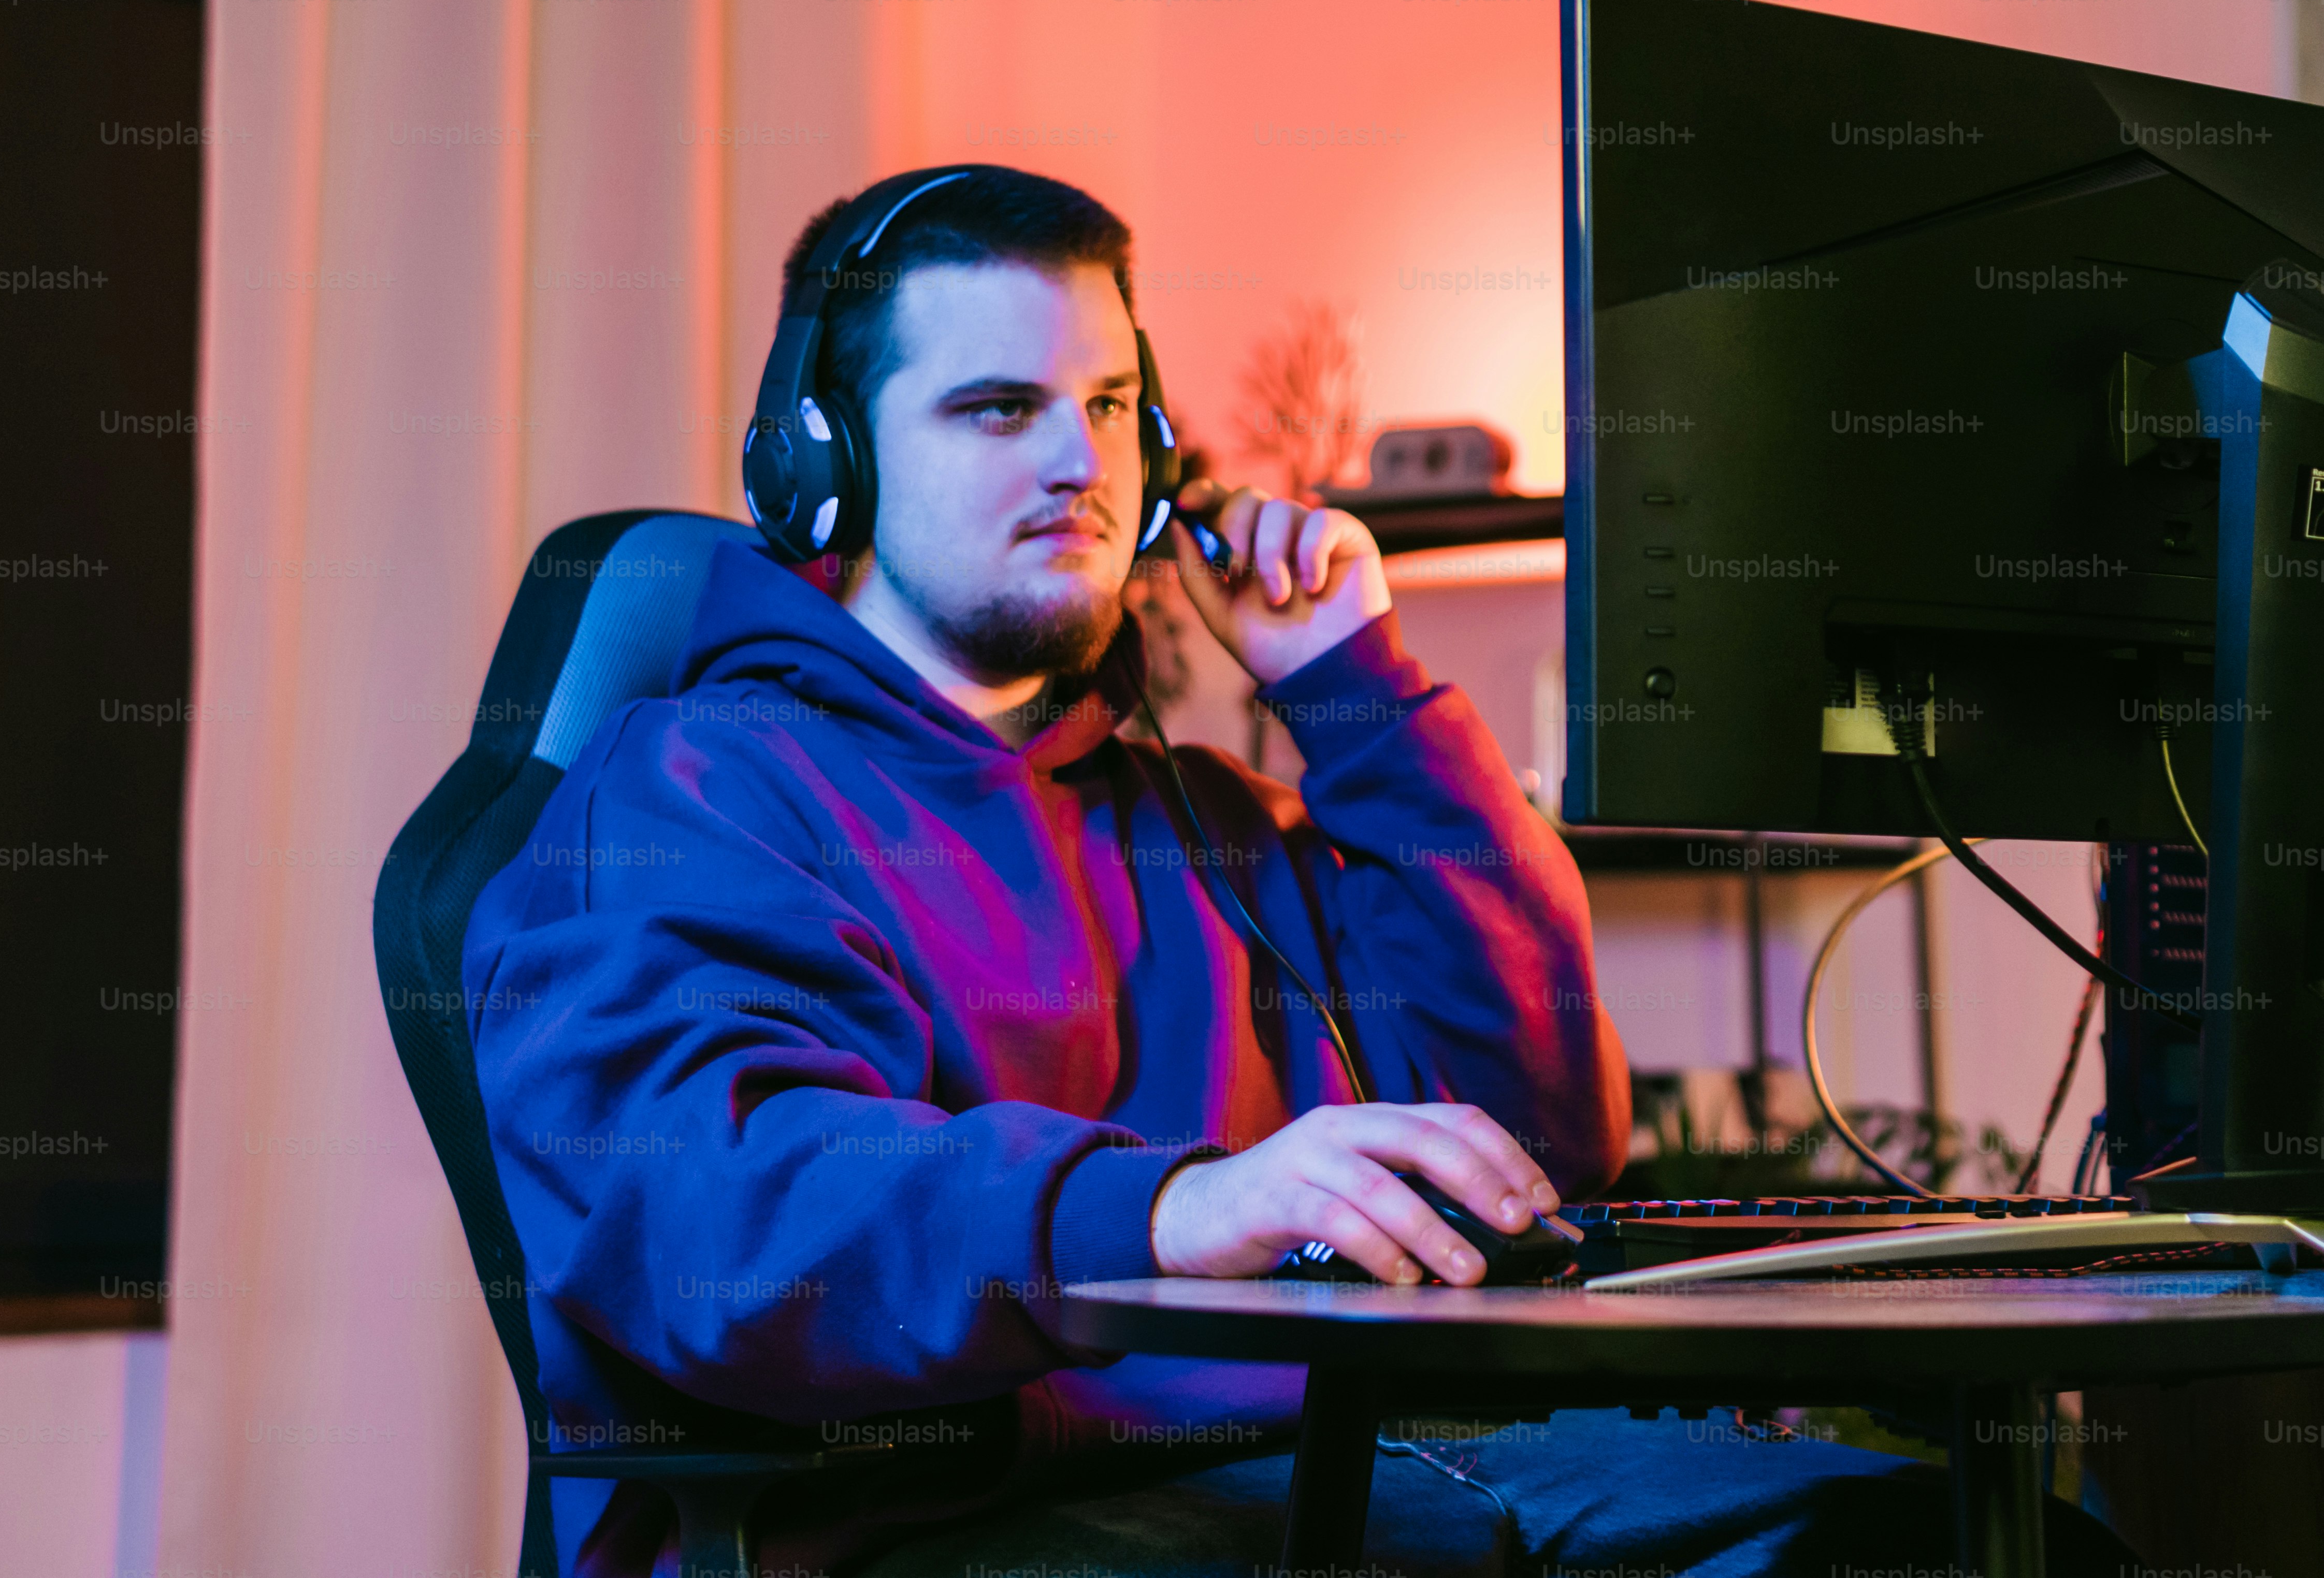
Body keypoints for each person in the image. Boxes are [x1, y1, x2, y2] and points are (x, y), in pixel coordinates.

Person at [464, 165, 2133, 1575]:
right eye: (997, 408)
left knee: (1979, 1543)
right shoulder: (694, 795)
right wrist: (1173, 1204)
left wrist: (1356, 691)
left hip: (1381, 1470)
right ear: (819, 460)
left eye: (1113, 408)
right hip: (955, 1519)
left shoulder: (1206, 818)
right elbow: (717, 1211)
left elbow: (1531, 1136)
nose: (1084, 466)